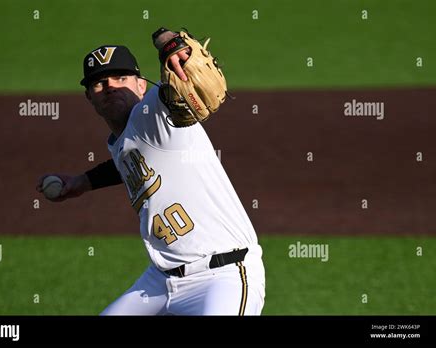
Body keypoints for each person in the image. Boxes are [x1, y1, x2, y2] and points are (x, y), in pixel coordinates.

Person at [37, 28, 266, 315]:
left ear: (142, 86)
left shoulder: (154, 111)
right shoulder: (121, 140)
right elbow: (129, 164)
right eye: (99, 83)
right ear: (89, 98)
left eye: (121, 78)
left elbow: (175, 85)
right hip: (161, 282)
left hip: (224, 275)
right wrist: (83, 181)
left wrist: (167, 42)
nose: (110, 87)